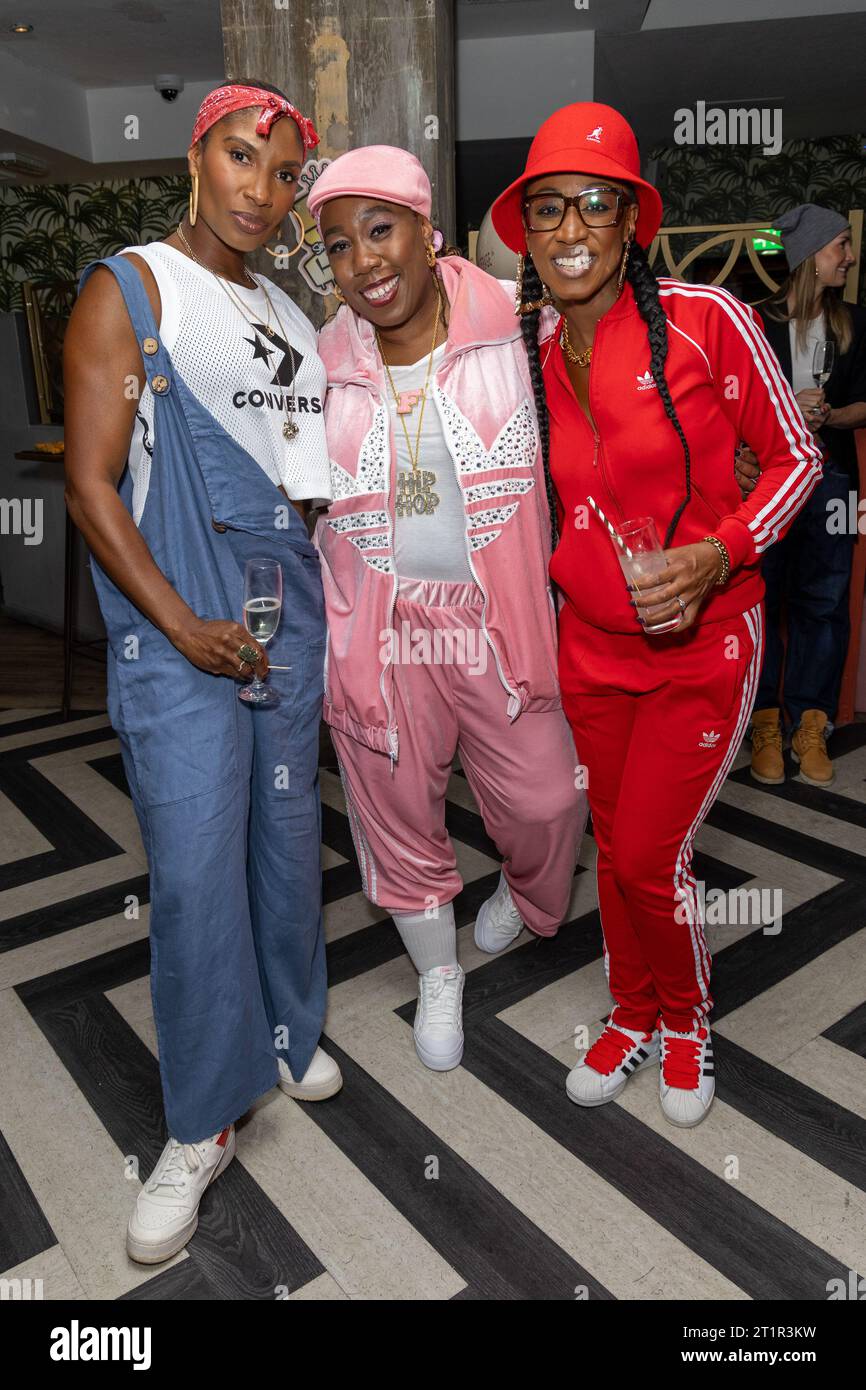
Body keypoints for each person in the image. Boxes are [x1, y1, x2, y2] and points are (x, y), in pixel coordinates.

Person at [490, 102, 823, 1127]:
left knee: (645, 856)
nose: (570, 227)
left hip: (705, 642)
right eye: (547, 208)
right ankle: (629, 1010)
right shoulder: (526, 347)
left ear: (630, 220)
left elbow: (796, 459)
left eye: (595, 203)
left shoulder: (703, 320)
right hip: (588, 647)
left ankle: (682, 1019)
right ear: (527, 232)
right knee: (610, 840)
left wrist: (716, 552)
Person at [63, 80, 341, 1265]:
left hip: (286, 609)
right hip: (175, 614)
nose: (262, 191)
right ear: (196, 156)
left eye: (283, 175)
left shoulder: (282, 303)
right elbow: (89, 484)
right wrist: (182, 625)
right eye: (242, 157)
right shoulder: (126, 288)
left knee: (284, 836)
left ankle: (288, 1023)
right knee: (187, 868)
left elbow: (302, 477)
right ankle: (199, 1122)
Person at [305, 146, 587, 1072]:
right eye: (339, 247)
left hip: (494, 618)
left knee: (547, 800)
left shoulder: (515, 322)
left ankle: (527, 894)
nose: (364, 263)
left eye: (380, 231)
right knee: (392, 802)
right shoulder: (325, 362)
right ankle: (437, 966)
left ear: (428, 234)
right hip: (379, 625)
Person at [739, 205, 866, 787]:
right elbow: (727, 405)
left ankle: (809, 723)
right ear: (812, 254)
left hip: (832, 480)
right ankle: (764, 721)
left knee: (824, 602)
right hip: (767, 481)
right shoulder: (753, 323)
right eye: (841, 243)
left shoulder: (855, 323)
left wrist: (834, 414)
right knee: (759, 600)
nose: (849, 254)